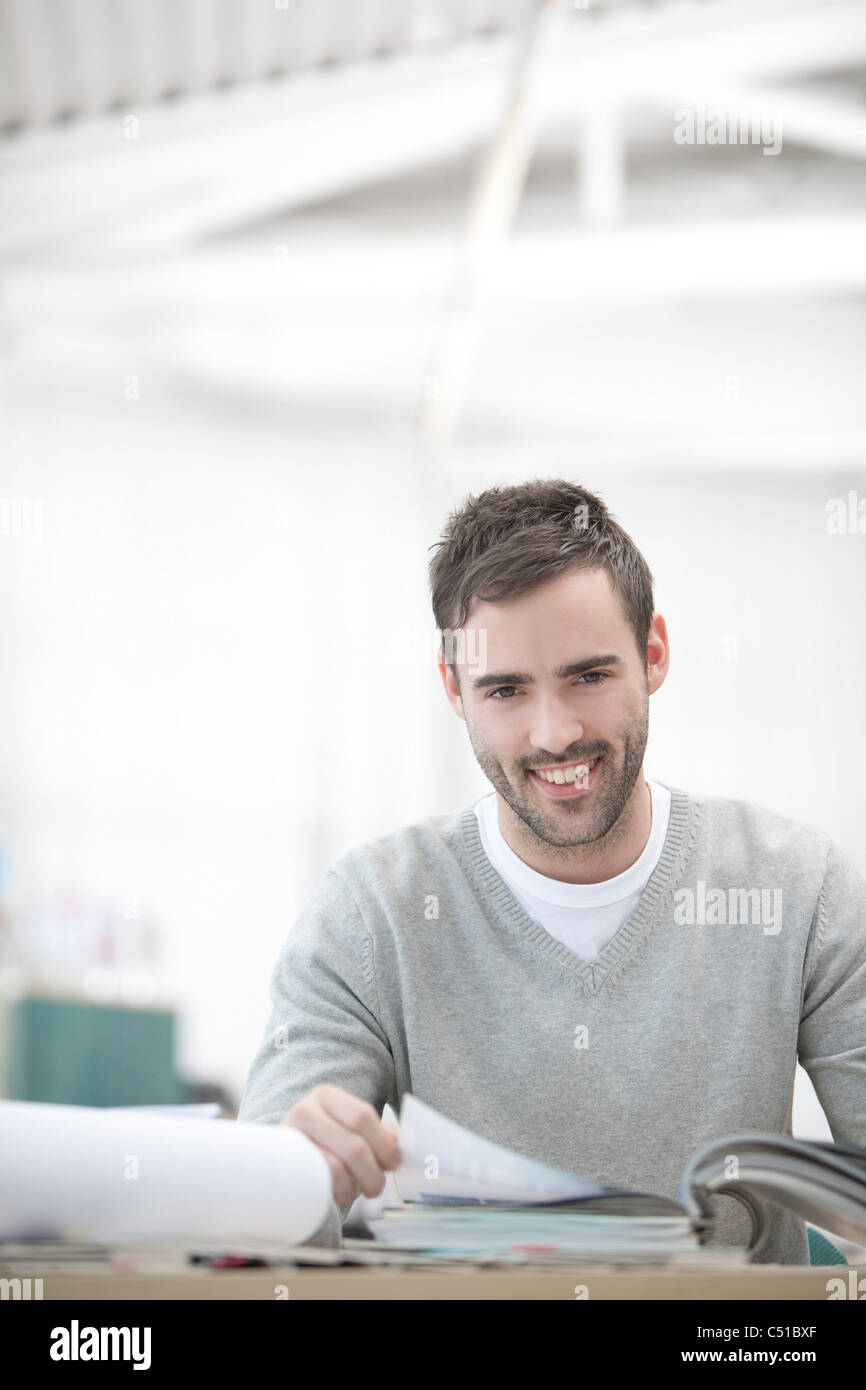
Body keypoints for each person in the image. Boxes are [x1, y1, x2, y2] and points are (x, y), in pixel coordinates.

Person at [237, 478, 866, 1261]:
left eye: (589, 676)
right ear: (454, 692)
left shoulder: (797, 891)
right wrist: (288, 1174)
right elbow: (256, 1230)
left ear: (654, 654)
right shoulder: (373, 910)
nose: (554, 733)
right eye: (506, 689)